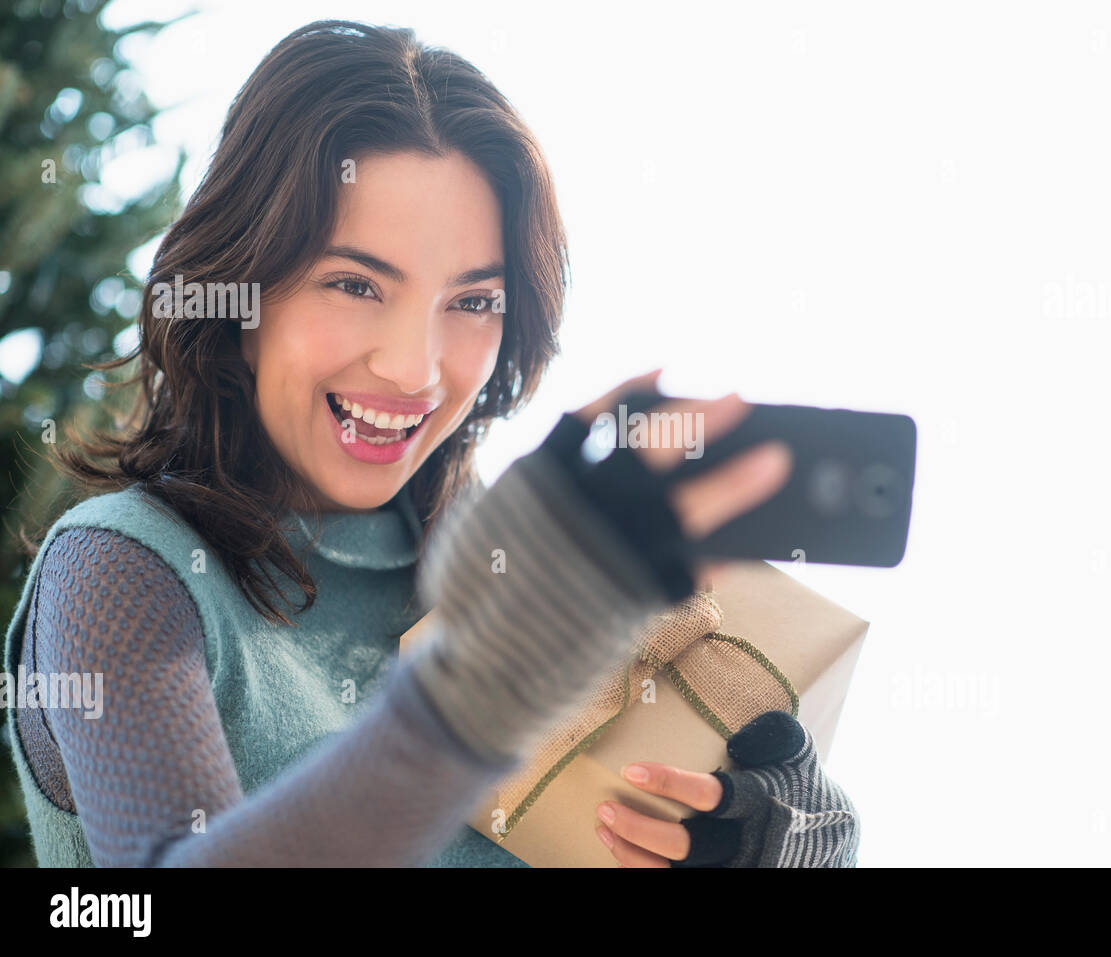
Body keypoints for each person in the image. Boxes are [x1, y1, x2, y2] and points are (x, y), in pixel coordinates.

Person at [3, 19, 860, 868]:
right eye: (354, 283)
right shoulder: (121, 572)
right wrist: (473, 698)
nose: (414, 370)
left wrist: (804, 854)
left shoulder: (531, 582)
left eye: (473, 301)